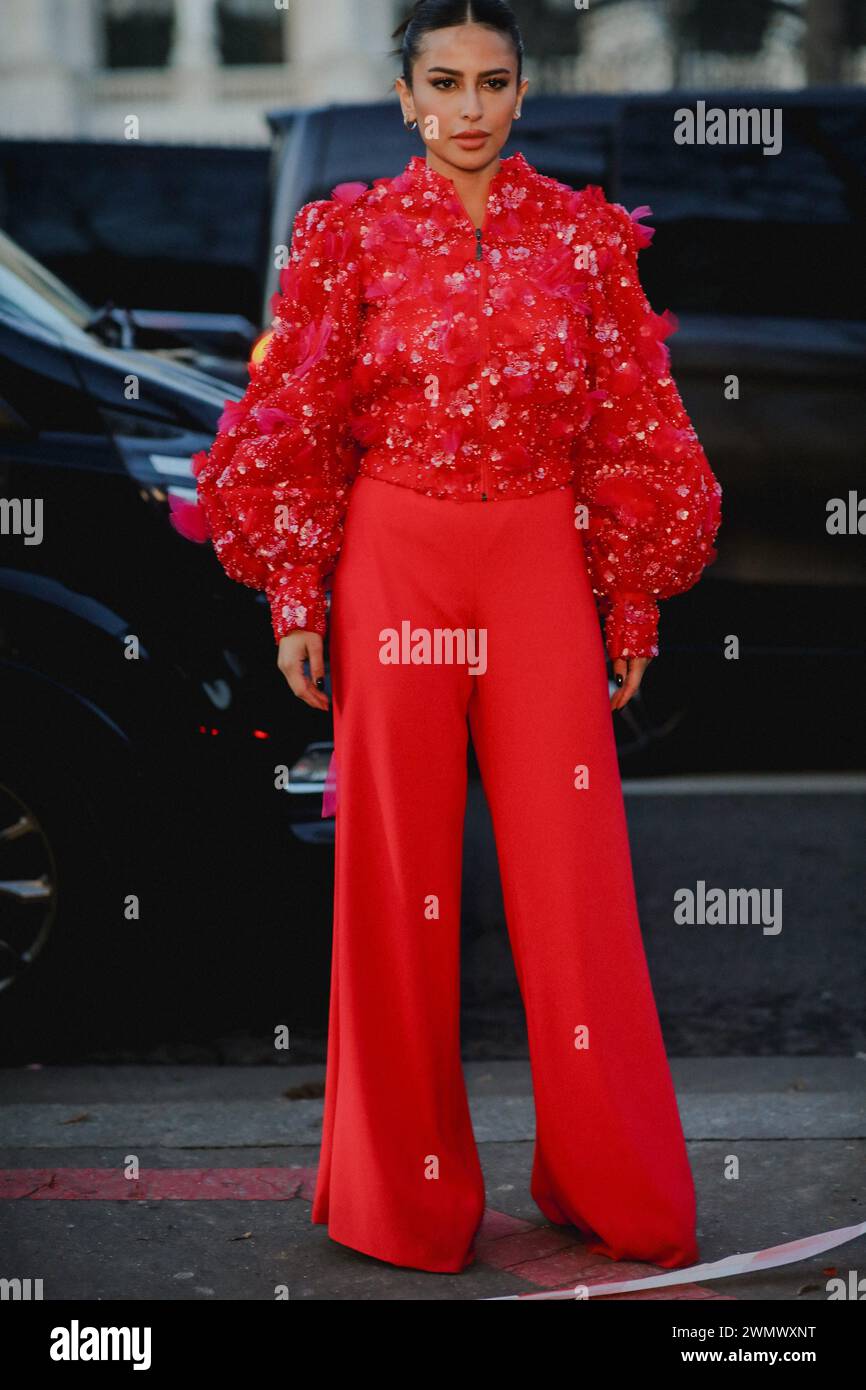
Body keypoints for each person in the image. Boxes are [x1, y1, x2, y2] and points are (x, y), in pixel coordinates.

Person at [192, 0, 722, 1274]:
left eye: (492, 82)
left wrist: (629, 591)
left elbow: (628, 424)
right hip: (397, 561)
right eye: (444, 81)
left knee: (573, 878)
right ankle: (401, 1195)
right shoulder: (344, 235)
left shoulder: (587, 240)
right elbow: (299, 417)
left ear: (524, 92)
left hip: (538, 558)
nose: (469, 106)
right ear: (406, 96)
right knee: (392, 879)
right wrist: (299, 597)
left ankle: (608, 1179)